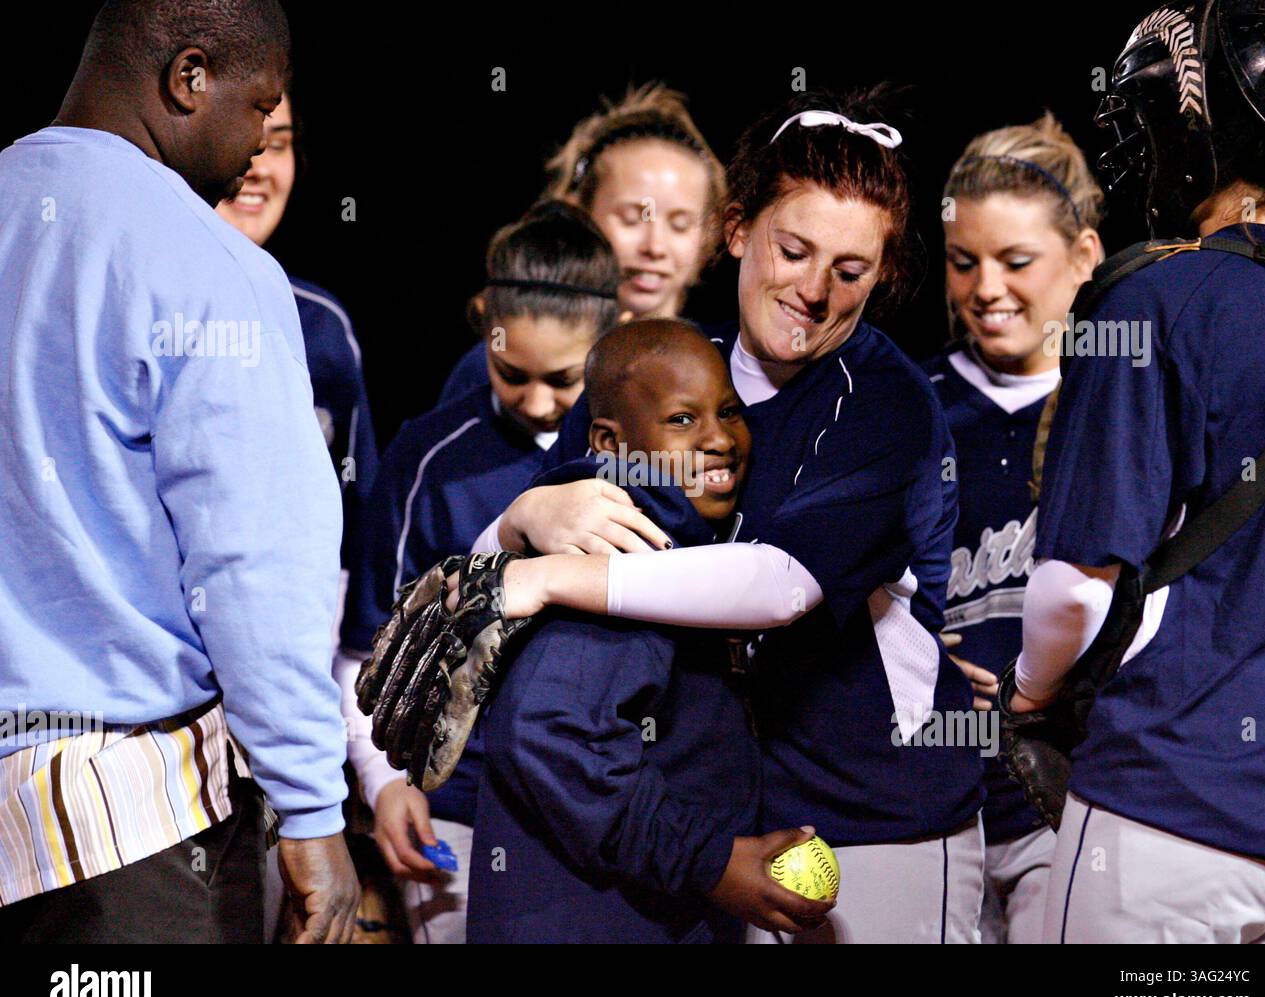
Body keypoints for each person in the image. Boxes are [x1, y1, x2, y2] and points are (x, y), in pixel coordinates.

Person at [465, 88, 987, 943]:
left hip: (882, 815)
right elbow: (502, 567)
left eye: (850, 271)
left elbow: (778, 585)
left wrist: (553, 569)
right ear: (738, 230)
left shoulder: (887, 403)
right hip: (726, 830)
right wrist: (521, 521)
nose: (814, 289)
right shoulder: (667, 371)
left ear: (884, 278)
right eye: (793, 249)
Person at [0, 0, 359, 943]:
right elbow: (255, 569)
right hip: (124, 841)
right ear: (188, 77)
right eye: (260, 108)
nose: (258, 146)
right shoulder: (212, 268)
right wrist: (314, 813)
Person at [1005, 0, 1265, 943]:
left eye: (1152, 117)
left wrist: (1030, 694)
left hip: (1175, 811)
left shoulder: (1163, 296)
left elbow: (1073, 593)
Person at [467, 319, 832, 943]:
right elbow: (548, 732)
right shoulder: (620, 540)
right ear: (610, 440)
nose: (719, 438)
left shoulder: (673, 534)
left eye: (729, 412)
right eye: (683, 420)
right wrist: (708, 861)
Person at [335, 201, 624, 943]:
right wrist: (385, 781)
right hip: (461, 803)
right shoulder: (430, 457)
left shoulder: (654, 453)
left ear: (612, 338)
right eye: (510, 373)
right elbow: (368, 649)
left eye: (563, 378)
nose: (535, 402)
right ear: (482, 325)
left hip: (618, 803)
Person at [923, 114, 1102, 943]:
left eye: (1017, 261)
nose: (986, 288)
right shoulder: (909, 402)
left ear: (1085, 257)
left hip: (1070, 798)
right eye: (965, 263)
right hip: (927, 800)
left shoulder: (1123, 404)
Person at [437, 83, 724, 405]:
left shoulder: (723, 368)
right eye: (631, 219)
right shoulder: (504, 363)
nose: (654, 246)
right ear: (579, 215)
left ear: (708, 235)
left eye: (680, 225)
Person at [216, 91, 379, 589]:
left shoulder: (322, 328)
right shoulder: (125, 306)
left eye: (279, 145)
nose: (261, 166)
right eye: (245, 140)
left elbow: (359, 512)